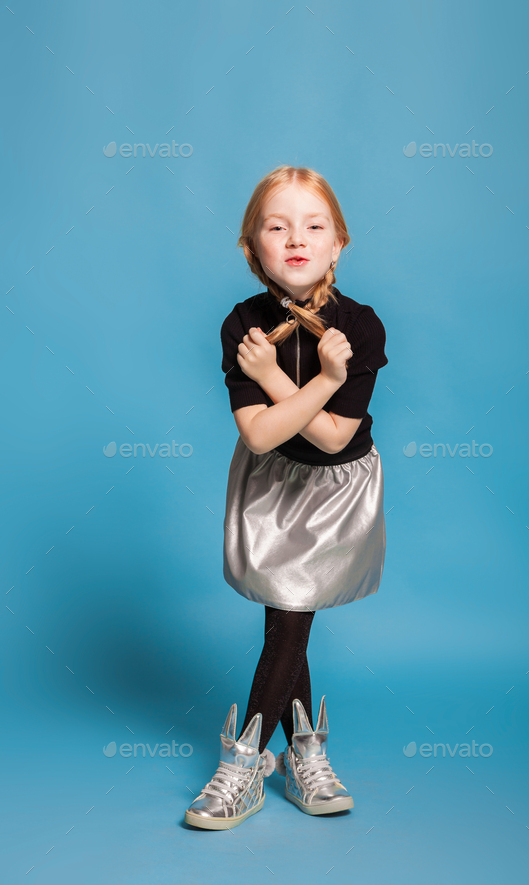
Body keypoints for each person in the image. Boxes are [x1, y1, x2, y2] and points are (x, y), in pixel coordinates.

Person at [184, 165, 388, 830]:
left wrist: (317, 376)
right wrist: (279, 372)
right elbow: (263, 435)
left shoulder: (360, 324)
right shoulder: (242, 323)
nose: (295, 237)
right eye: (277, 226)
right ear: (253, 249)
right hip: (270, 483)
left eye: (313, 225)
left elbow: (332, 440)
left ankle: (243, 762)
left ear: (339, 244)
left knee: (289, 618)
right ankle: (304, 749)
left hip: (335, 489)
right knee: (287, 618)